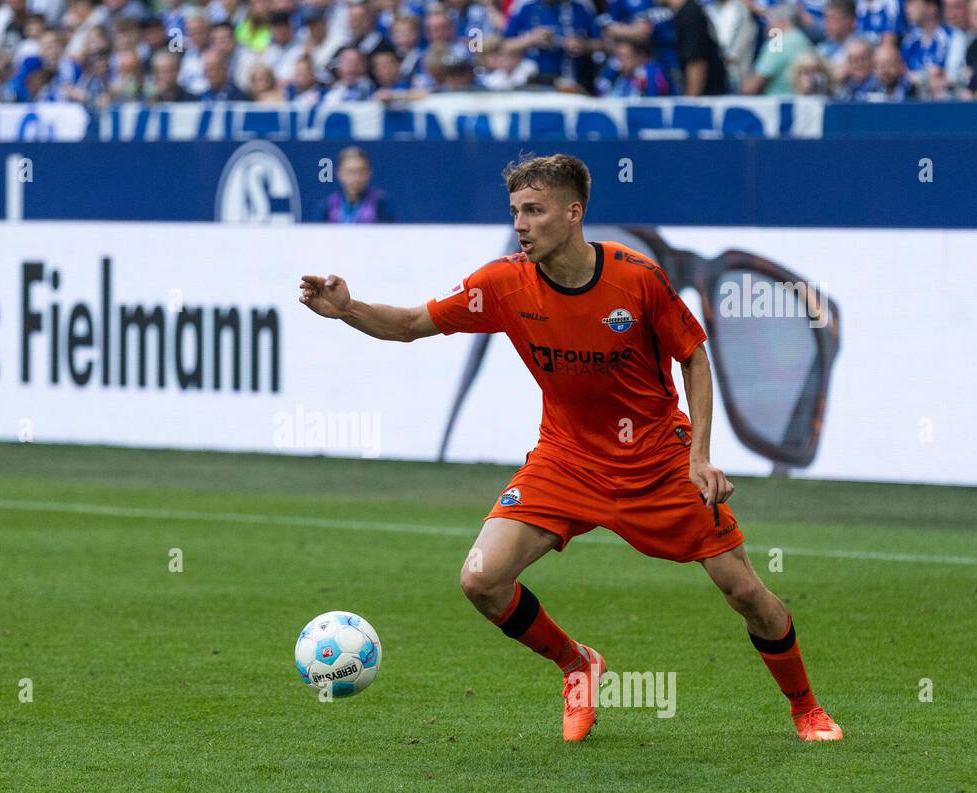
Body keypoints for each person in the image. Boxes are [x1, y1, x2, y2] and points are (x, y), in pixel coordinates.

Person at [298, 153, 842, 744]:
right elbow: (408, 324)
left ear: (574, 213)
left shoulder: (636, 278)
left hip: (657, 462)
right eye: (515, 212)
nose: (521, 224)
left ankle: (806, 708)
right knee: (481, 579)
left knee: (745, 593)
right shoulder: (501, 284)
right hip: (566, 460)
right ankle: (576, 664)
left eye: (534, 210)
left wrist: (700, 456)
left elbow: (693, 355)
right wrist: (346, 308)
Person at [316, 146, 394, 223]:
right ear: (339, 173)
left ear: (369, 173)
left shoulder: (381, 203)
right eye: (350, 172)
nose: (356, 178)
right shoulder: (328, 204)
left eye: (361, 171)